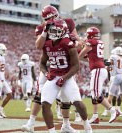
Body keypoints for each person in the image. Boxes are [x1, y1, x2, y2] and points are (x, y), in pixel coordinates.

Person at [21, 5, 81, 133]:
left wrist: (75, 40)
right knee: (40, 92)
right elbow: (38, 46)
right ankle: (31, 123)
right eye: (47, 18)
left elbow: (78, 41)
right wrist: (44, 31)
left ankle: (66, 125)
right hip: (50, 64)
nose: (50, 20)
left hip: (65, 64)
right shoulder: (42, 27)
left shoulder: (68, 22)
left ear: (57, 14)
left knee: (66, 96)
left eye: (52, 17)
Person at [40, 19, 92, 133]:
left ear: (63, 31)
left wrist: (64, 78)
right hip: (53, 77)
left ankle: (87, 127)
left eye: (56, 31)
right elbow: (42, 63)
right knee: (44, 104)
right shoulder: (47, 44)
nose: (53, 33)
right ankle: (52, 131)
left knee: (77, 102)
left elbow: (76, 66)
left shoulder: (67, 43)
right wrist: (46, 73)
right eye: (52, 30)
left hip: (67, 76)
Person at [79, 27, 119, 124]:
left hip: (98, 70)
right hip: (99, 69)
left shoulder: (91, 43)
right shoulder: (98, 42)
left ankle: (113, 110)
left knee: (96, 95)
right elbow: (89, 49)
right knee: (93, 94)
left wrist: (79, 48)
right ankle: (95, 117)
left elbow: (80, 55)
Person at [107, 47, 122, 116]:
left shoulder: (113, 57)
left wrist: (107, 67)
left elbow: (109, 65)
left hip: (116, 76)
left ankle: (106, 111)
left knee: (111, 94)